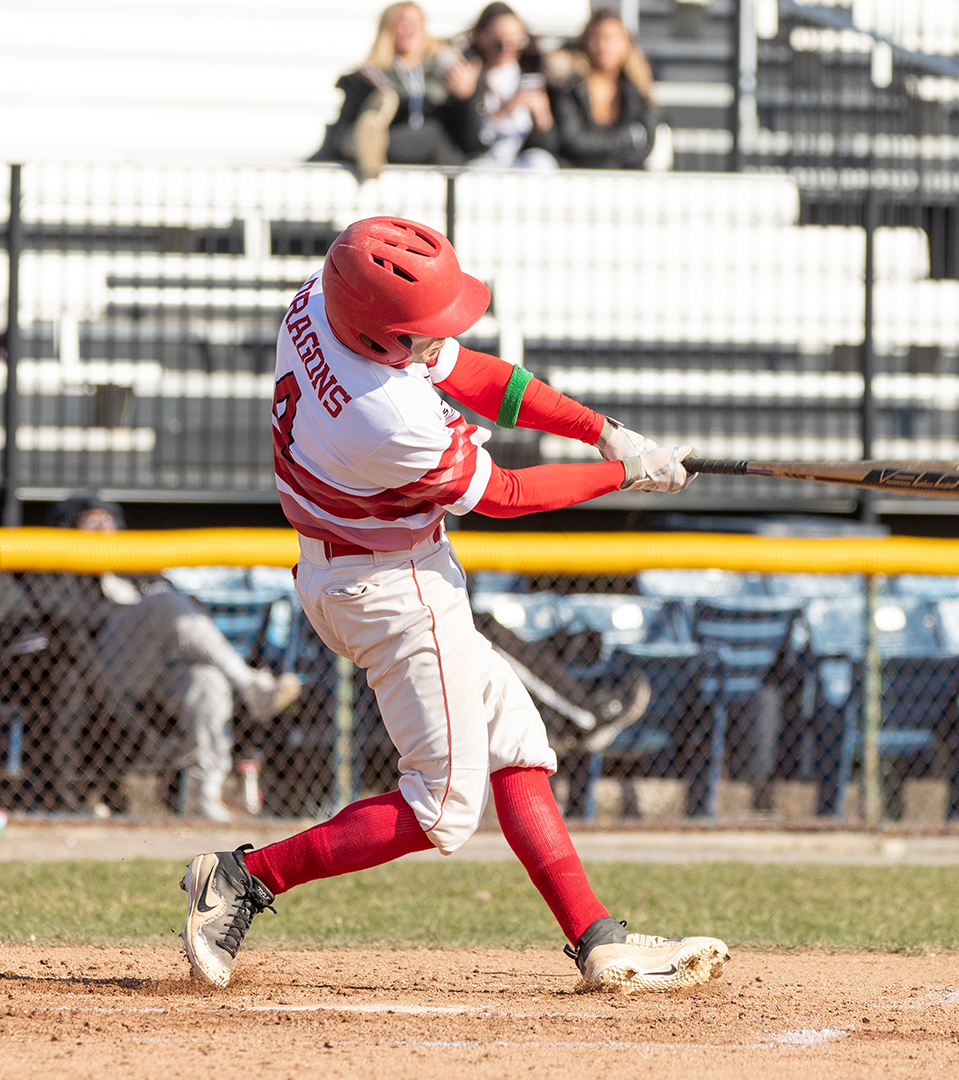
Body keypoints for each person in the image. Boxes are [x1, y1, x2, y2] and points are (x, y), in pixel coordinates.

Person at [179, 217, 726, 993]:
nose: (440, 336)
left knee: (517, 741)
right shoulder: (382, 414)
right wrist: (626, 475)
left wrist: (601, 432)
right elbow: (505, 494)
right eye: (422, 329)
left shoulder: (323, 300)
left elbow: (471, 374)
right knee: (441, 808)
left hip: (355, 564)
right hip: (392, 588)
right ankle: (244, 878)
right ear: (380, 334)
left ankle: (597, 939)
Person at [58, 494, 302, 822]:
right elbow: (68, 628)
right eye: (91, 521)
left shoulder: (135, 570)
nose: (103, 528)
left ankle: (203, 795)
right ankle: (250, 684)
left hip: (157, 673)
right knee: (161, 602)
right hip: (103, 671)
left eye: (108, 520)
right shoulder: (60, 572)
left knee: (207, 680)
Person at [318, 2, 485, 180]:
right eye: (403, 24)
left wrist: (465, 96)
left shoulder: (448, 71)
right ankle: (360, 140)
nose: (412, 30)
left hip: (440, 160)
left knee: (432, 134)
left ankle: (359, 145)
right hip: (392, 164)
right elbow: (341, 125)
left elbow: (468, 138)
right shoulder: (368, 78)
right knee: (365, 122)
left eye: (418, 23)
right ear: (388, 28)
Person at [544, 8, 661, 170]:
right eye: (596, 37)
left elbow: (646, 142)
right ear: (584, 41)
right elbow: (572, 141)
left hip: (623, 174)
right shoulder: (569, 84)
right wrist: (627, 138)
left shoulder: (636, 86)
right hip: (574, 172)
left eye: (611, 38)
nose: (603, 46)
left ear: (627, 43)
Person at [460, 3, 555, 169]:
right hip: (485, 160)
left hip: (521, 159)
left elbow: (551, 145)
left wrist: (544, 120)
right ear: (480, 37)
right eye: (498, 43)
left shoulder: (532, 72)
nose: (506, 49)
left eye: (515, 42)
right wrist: (505, 110)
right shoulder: (468, 74)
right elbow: (468, 141)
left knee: (541, 163)